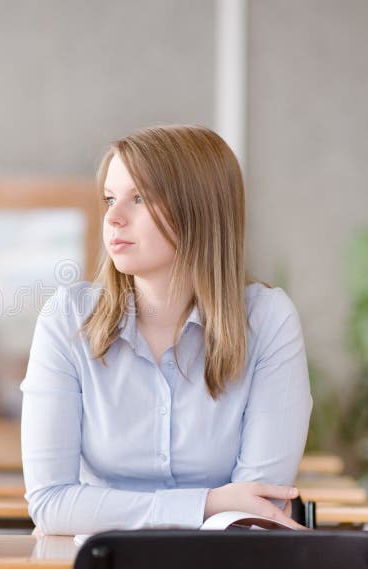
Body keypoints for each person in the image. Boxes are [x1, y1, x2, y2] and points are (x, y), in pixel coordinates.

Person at [20, 124, 312, 535]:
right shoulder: (67, 319)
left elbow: (254, 513)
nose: (114, 218)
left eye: (138, 198)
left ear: (198, 208)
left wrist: (110, 509)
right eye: (109, 199)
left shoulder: (268, 320)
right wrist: (206, 503)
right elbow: (51, 503)